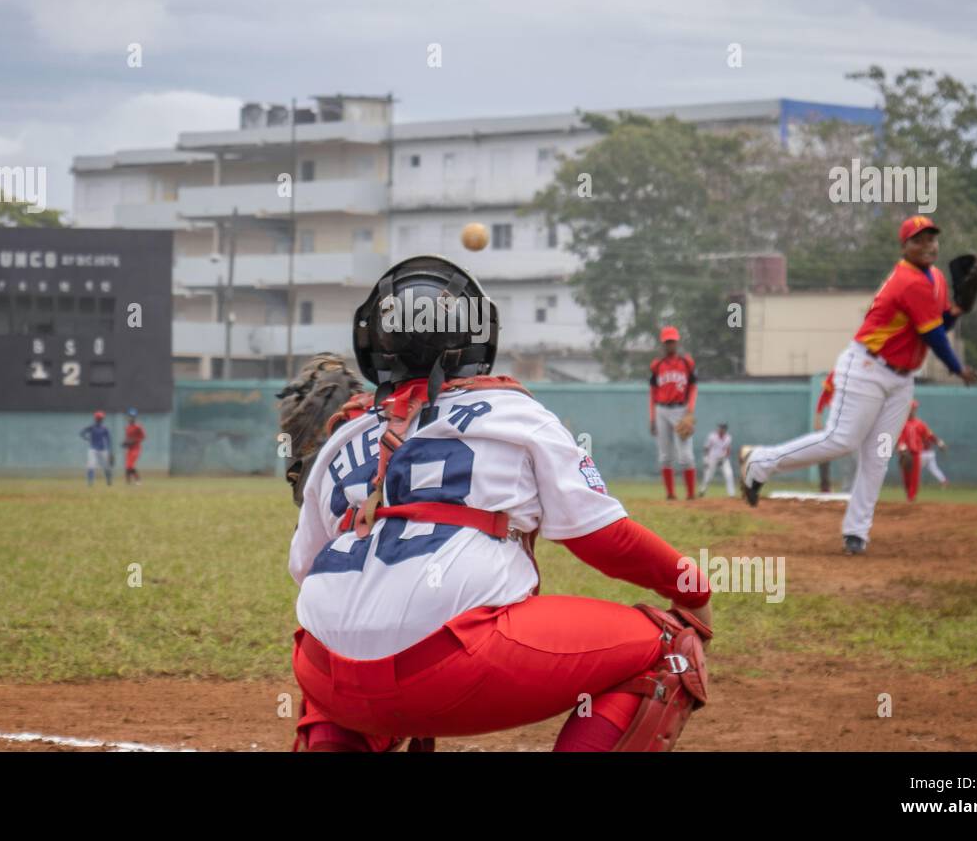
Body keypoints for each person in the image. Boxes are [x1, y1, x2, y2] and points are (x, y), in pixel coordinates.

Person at [288, 255, 712, 753]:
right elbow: (601, 537)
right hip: (456, 664)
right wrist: (692, 585)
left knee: (334, 643)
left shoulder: (345, 436)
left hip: (329, 677)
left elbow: (306, 569)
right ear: (477, 336)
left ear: (375, 344)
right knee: (668, 650)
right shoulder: (515, 412)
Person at [739, 216, 977, 555]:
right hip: (868, 367)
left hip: (901, 379)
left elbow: (940, 322)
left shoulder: (935, 278)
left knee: (878, 455)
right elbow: (934, 336)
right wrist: (958, 368)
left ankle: (857, 532)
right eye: (919, 240)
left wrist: (958, 308)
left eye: (931, 239)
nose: (927, 245)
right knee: (841, 440)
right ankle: (760, 462)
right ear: (904, 247)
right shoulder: (907, 281)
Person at [649, 326, 698, 500]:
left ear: (677, 342)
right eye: (667, 341)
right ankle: (670, 495)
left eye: (672, 341)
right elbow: (653, 393)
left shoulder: (687, 363)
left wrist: (690, 411)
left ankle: (691, 495)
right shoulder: (657, 365)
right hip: (661, 410)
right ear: (663, 344)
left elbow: (693, 388)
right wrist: (652, 418)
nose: (670, 344)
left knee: (686, 456)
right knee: (665, 455)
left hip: (681, 410)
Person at [898, 401, 948, 499]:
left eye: (914, 408)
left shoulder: (920, 424)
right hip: (905, 454)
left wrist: (939, 443)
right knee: (906, 478)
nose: (912, 410)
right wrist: (902, 450)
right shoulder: (901, 423)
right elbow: (899, 439)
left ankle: (911, 497)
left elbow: (929, 435)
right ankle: (909, 495)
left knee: (914, 477)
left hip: (916, 454)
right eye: (910, 408)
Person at [700, 423, 734, 497]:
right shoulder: (712, 436)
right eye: (720, 428)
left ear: (725, 430)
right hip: (712, 458)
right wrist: (705, 459)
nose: (720, 430)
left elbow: (728, 449)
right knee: (708, 475)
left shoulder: (728, 437)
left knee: (729, 474)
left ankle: (731, 494)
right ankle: (702, 491)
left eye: (722, 428)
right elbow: (706, 448)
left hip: (723, 459)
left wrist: (725, 458)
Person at [80, 411, 113, 486]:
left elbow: (108, 440)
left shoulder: (104, 428)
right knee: (91, 465)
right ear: (96, 419)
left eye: (101, 418)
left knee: (106, 466)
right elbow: (82, 432)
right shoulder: (92, 427)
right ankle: (90, 482)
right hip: (93, 449)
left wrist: (109, 451)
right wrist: (86, 438)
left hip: (103, 449)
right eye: (99, 418)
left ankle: (109, 481)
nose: (100, 419)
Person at [121, 408, 146, 485]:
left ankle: (138, 480)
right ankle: (128, 482)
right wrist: (125, 443)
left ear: (135, 417)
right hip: (129, 448)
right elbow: (127, 438)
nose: (131, 418)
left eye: (132, 416)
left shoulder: (138, 427)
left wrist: (134, 441)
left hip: (136, 448)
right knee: (127, 465)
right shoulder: (127, 427)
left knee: (130, 465)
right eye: (130, 416)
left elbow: (143, 437)